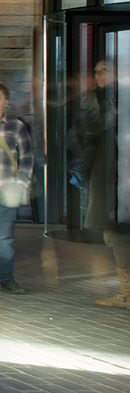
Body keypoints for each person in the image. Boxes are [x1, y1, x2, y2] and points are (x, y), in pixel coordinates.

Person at [67, 60, 130, 307]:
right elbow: (86, 131)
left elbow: (96, 128)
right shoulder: (96, 99)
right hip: (109, 173)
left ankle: (125, 295)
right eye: (97, 71)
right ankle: (125, 293)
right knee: (114, 232)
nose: (99, 75)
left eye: (105, 70)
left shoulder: (118, 98)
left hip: (120, 174)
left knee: (117, 232)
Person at [0, 82, 33, 295]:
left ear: (6, 102)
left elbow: (27, 158)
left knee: (4, 239)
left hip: (5, 192)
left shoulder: (16, 126)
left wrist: (19, 185)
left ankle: (7, 279)